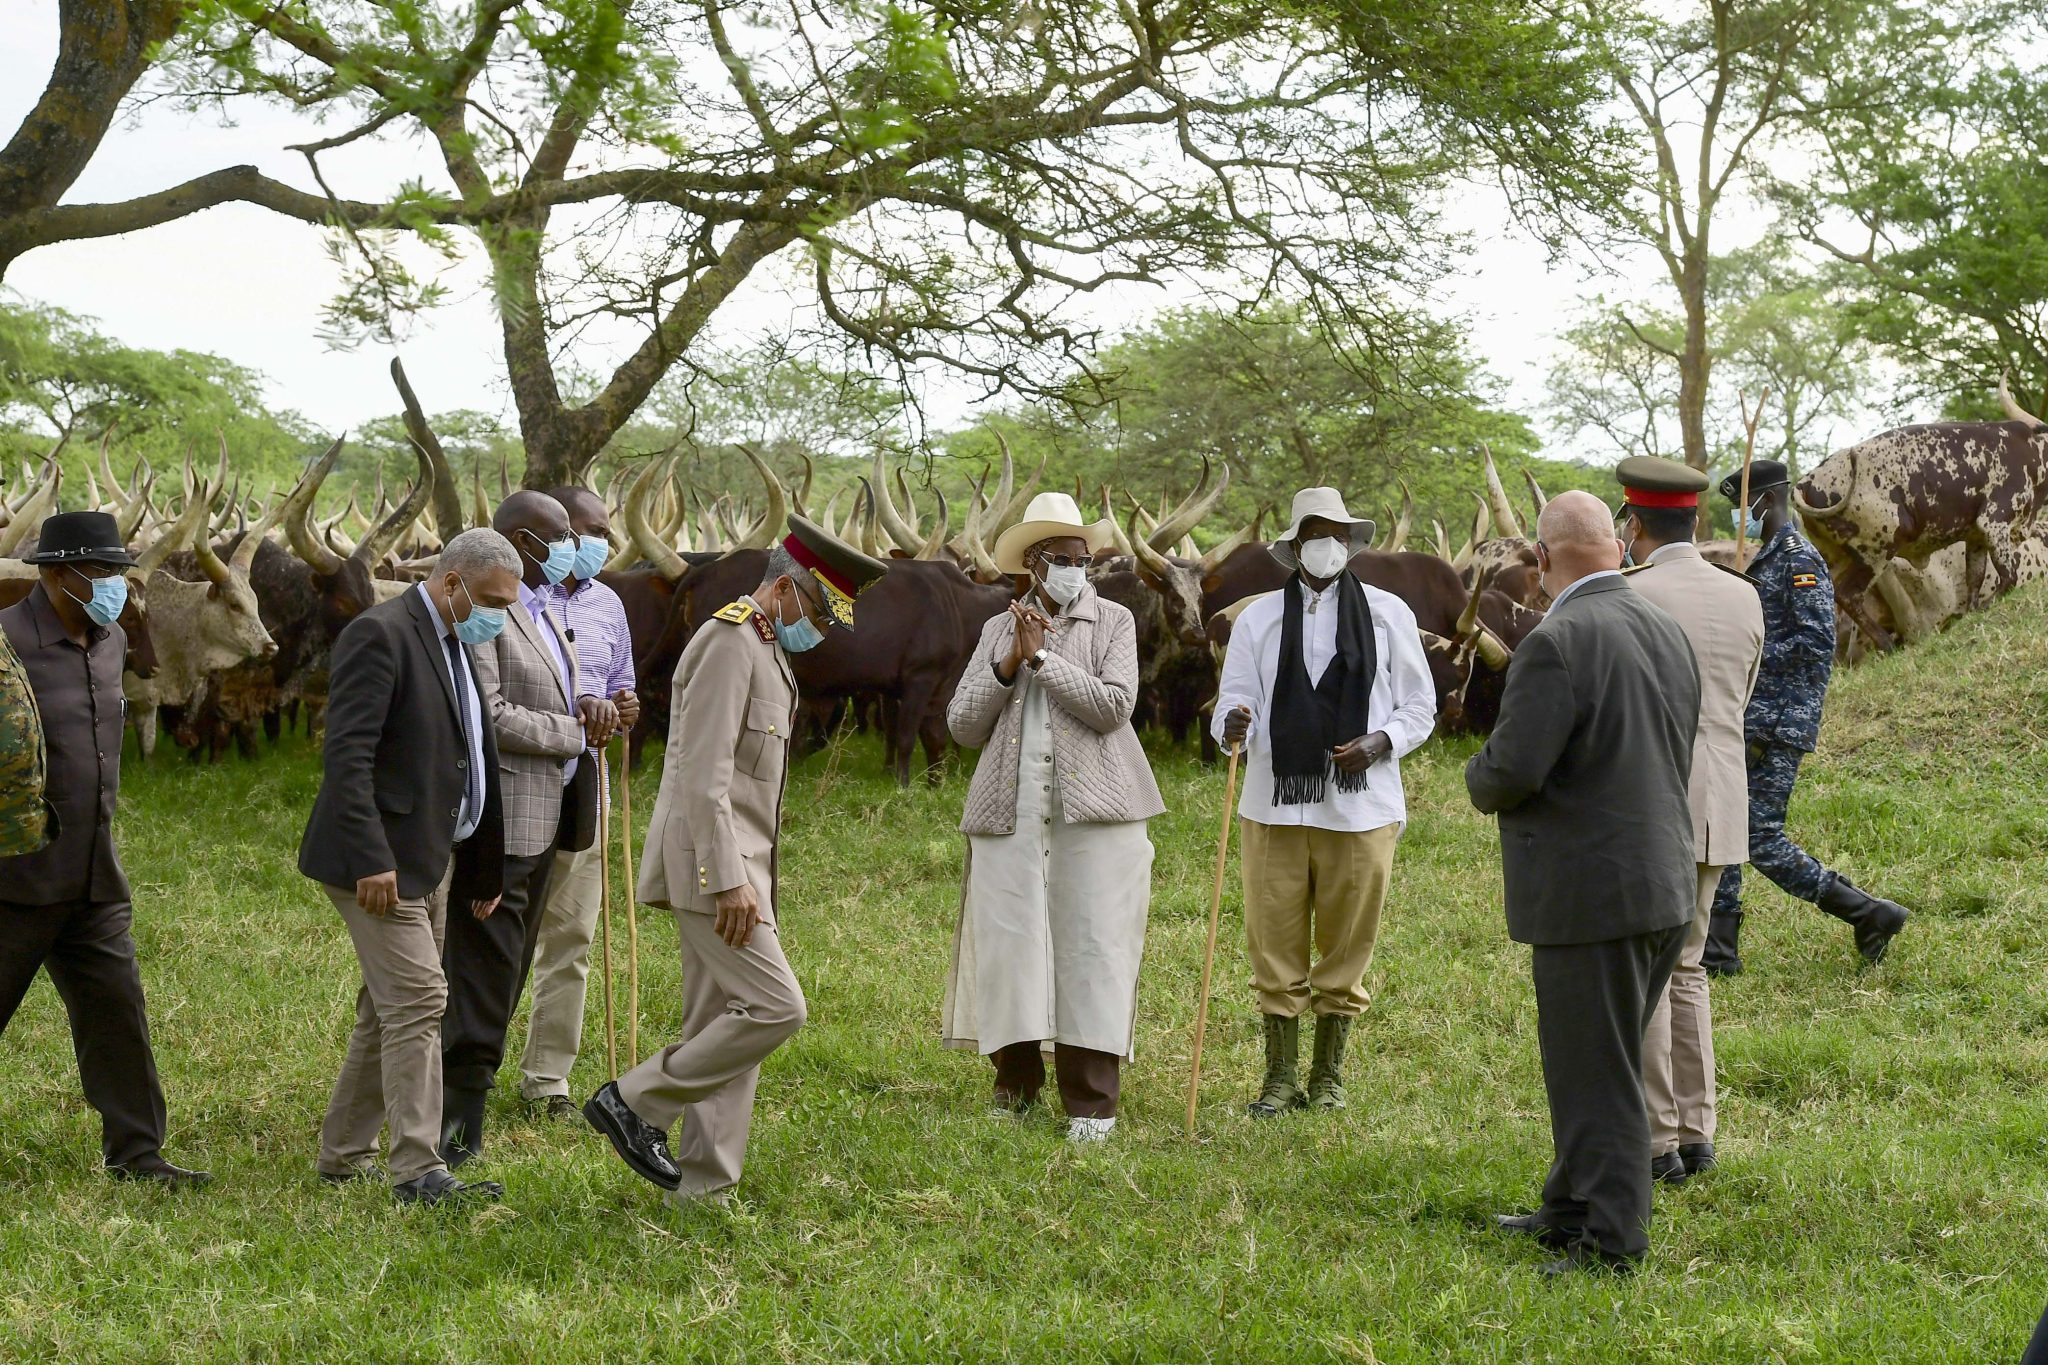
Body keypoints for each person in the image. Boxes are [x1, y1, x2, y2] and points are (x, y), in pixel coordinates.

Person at [584, 516, 887, 1202]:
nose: (822, 628)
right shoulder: (730, 641)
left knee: (724, 1021)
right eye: (816, 610)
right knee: (777, 1007)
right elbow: (704, 774)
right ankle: (633, 1100)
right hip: (712, 869)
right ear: (782, 589)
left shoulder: (766, 644)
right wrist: (727, 881)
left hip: (737, 869)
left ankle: (702, 1188)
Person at [1467, 491, 1699, 1275]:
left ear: (1543, 559)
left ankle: (1612, 1241)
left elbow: (1509, 771)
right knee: (1600, 1056)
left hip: (1590, 896)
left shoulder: (1556, 640)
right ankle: (1566, 1207)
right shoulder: (1664, 628)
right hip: (1662, 884)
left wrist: (1474, 769)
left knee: (1595, 1072)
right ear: (1613, 543)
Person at [300, 527, 517, 1206]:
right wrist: (372, 856)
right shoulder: (380, 634)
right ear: (451, 581)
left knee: (386, 1005)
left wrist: (481, 868)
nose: (498, 615)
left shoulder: (457, 640)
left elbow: (468, 758)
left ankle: (342, 1153)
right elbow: (348, 755)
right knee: (422, 998)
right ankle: (419, 1169)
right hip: (380, 862)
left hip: (433, 858)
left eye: (507, 603)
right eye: (489, 599)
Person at [941, 492, 1165, 1142]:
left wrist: (1043, 660)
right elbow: (961, 725)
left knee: (1093, 943)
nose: (1075, 569)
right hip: (1011, 812)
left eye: (1082, 558)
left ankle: (1092, 1101)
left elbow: (1115, 706)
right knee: (1012, 943)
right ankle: (1015, 1083)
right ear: (1033, 565)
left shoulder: (1114, 621)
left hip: (1098, 813)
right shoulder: (996, 627)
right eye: (1062, 559)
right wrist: (1009, 660)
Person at [1209, 488, 1436, 1117]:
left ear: (1351, 542)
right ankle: (1279, 1079)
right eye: (1314, 531)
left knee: (1348, 943)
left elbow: (1421, 706)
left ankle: (1327, 1076)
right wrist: (1233, 726)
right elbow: (1236, 702)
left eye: (1336, 531)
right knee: (1273, 941)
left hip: (1361, 808)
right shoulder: (1257, 619)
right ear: (1294, 544)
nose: (1326, 542)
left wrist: (1381, 740)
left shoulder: (1389, 613)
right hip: (1273, 806)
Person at [0, 511, 208, 1187]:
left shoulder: (112, 639)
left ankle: (138, 1154)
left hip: (94, 873)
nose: (116, 586)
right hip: (16, 877)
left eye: (120, 572)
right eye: (101, 572)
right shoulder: (6, 642)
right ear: (56, 573)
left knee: (118, 1015)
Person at [440, 492, 619, 1164]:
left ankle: (463, 1105)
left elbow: (556, 694)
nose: (575, 547)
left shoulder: (540, 609)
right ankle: (455, 1126)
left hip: (550, 819)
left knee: (509, 969)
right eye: (562, 536)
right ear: (521, 538)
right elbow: (490, 713)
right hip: (503, 823)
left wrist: (598, 709)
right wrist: (572, 732)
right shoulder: (493, 612)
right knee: (481, 972)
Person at [1616, 457, 1763, 1186]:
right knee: (1690, 965)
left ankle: (1658, 1138)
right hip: (1723, 801)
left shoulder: (1632, 596)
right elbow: (1740, 701)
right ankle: (1699, 1130)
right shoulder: (1745, 598)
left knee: (1647, 969)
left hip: (1657, 801)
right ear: (1697, 520)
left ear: (1633, 524)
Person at [1706, 460, 1909, 975]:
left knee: (1757, 836)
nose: (1740, 517)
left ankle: (1869, 912)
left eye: (1743, 506)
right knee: (1730, 826)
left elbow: (1817, 642)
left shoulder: (1798, 558)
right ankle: (1718, 951)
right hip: (1755, 717)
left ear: (1767, 501)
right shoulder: (1767, 558)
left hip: (1779, 720)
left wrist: (1749, 657)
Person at [516, 486, 640, 1119]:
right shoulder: (511, 603)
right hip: (517, 790)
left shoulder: (608, 603)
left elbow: (623, 686)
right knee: (497, 934)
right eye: (587, 531)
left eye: (602, 532)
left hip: (586, 786)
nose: (600, 544)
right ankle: (462, 1069)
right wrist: (573, 716)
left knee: (573, 935)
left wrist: (620, 710)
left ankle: (547, 1080)